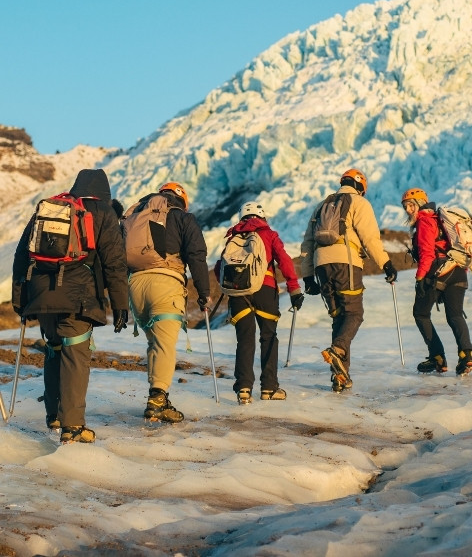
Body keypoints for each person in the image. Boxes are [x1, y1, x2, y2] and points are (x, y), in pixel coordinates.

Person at [11, 169, 129, 444]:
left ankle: (54, 415)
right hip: (78, 295)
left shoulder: (52, 208)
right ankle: (73, 427)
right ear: (105, 192)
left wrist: (21, 297)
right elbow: (114, 262)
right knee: (75, 356)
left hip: (42, 296)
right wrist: (120, 304)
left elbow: (21, 254)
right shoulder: (103, 211)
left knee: (54, 351)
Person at [299, 169, 396, 392]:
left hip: (322, 266)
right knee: (354, 313)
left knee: (339, 318)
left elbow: (307, 244)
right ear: (360, 187)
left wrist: (307, 277)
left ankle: (339, 376)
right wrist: (386, 264)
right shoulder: (359, 203)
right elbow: (370, 238)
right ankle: (337, 350)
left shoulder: (321, 206)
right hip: (346, 263)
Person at [124, 181, 209, 423]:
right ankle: (158, 400)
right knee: (164, 345)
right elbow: (196, 255)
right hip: (165, 284)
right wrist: (203, 292)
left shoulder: (137, 215)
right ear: (181, 200)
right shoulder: (182, 218)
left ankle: (158, 397)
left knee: (155, 344)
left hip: (136, 286)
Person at [216, 202, 304, 404]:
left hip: (239, 293)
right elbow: (284, 260)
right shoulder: (269, 234)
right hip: (265, 291)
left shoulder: (234, 237)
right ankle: (269, 388)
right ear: (262, 217)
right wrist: (294, 288)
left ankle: (244, 389)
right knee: (269, 337)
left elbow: (220, 268)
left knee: (245, 339)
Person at [402, 188, 472, 376]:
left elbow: (427, 254)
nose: (409, 210)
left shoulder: (425, 222)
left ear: (420, 204)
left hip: (437, 272)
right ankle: (466, 356)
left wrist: (420, 278)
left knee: (420, 313)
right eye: (405, 206)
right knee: (455, 315)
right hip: (458, 271)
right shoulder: (440, 221)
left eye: (411, 205)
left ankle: (437, 357)